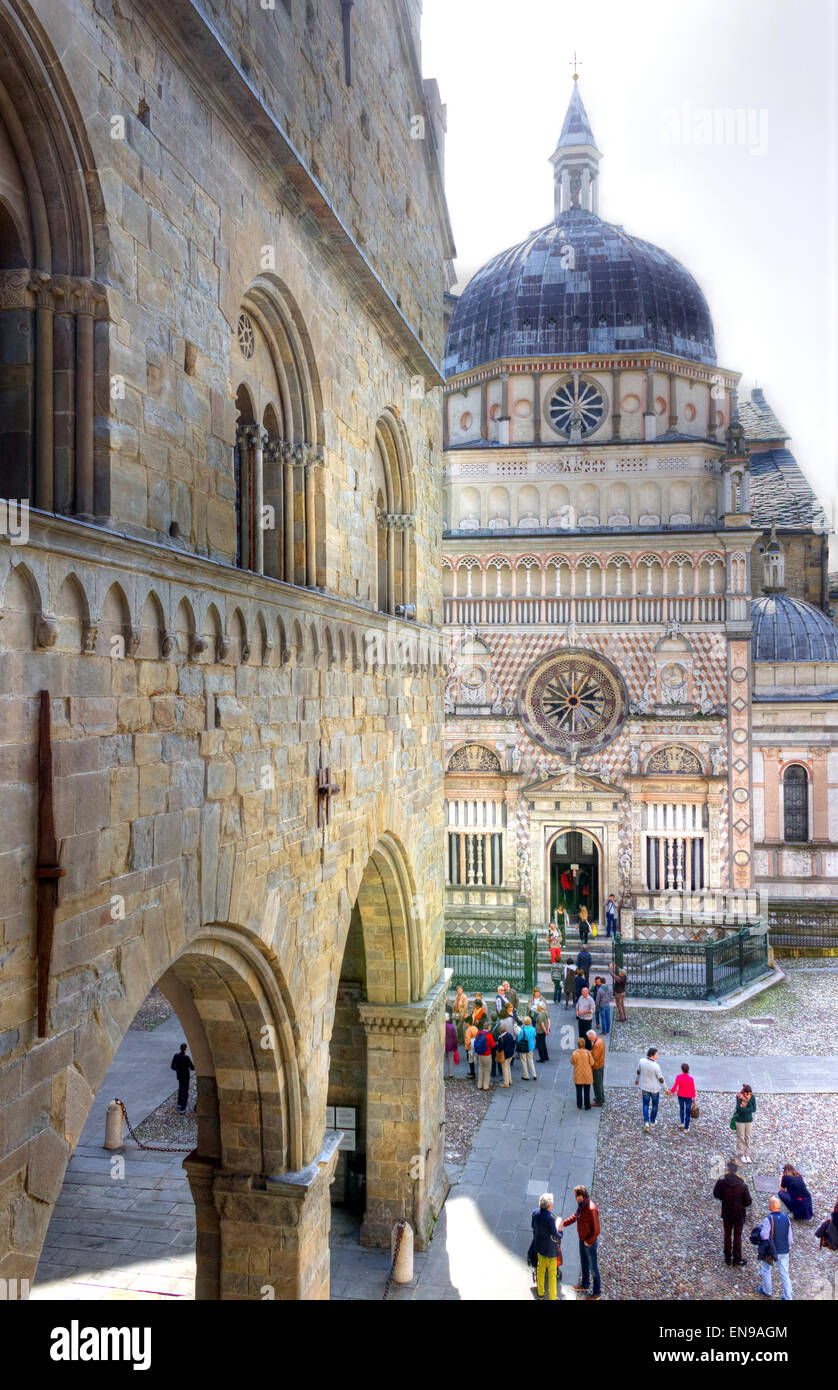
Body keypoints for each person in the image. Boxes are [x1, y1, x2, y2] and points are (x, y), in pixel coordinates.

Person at [563, 1185, 601, 1300]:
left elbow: (597, 1230)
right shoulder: (582, 1205)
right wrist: (564, 1223)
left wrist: (588, 1242)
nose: (575, 1198)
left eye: (576, 1196)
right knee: (583, 1262)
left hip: (589, 1242)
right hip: (582, 1239)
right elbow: (576, 1216)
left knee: (593, 1267)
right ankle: (585, 1285)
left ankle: (597, 1293)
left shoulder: (591, 1209)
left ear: (581, 1196)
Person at [712, 1158, 751, 1267]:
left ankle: (728, 1257)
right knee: (737, 1236)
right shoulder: (742, 1185)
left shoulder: (721, 1182)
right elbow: (748, 1202)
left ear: (727, 1169)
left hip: (727, 1213)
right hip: (739, 1215)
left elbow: (716, 1194)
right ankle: (737, 1258)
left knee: (727, 1234)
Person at [756, 1197, 793, 1301]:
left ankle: (767, 1290)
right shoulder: (786, 1218)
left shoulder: (768, 1219)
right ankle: (787, 1296)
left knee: (766, 1269)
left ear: (771, 1206)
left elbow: (764, 1236)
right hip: (784, 1250)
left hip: (771, 1251)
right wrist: (787, 1247)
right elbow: (790, 1238)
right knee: (784, 1273)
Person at [531, 1193, 562, 1301]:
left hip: (539, 1247)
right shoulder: (551, 1218)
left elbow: (533, 1226)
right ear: (550, 1206)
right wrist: (561, 1231)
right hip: (550, 1251)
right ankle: (553, 1297)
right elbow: (555, 1236)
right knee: (552, 1275)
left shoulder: (535, 1213)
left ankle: (540, 1294)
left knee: (540, 1270)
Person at [635, 1046, 666, 1132]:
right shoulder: (656, 1066)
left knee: (645, 1105)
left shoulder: (641, 1061)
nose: (657, 1056)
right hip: (654, 1089)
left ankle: (646, 1122)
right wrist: (666, 1089)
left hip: (645, 1087)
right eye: (656, 1054)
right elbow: (661, 1078)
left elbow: (638, 1071)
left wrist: (637, 1080)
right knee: (655, 1105)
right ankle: (652, 1121)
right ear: (652, 1055)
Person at [732, 1083, 756, 1164]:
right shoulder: (739, 1097)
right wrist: (747, 1108)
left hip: (748, 1120)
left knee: (748, 1136)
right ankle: (742, 1153)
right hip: (740, 1120)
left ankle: (747, 1154)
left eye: (750, 1093)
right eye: (747, 1094)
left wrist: (744, 1106)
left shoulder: (752, 1098)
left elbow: (754, 1109)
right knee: (741, 1137)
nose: (749, 1095)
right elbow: (738, 1109)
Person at [669, 1062, 696, 1132]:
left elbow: (675, 1087)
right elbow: (693, 1089)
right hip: (689, 1096)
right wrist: (694, 1098)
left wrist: (670, 1092)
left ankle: (682, 1123)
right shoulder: (691, 1079)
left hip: (680, 1095)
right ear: (688, 1070)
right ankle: (686, 1128)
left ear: (682, 1069)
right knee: (687, 1111)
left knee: (681, 1109)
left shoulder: (678, 1077)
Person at [171, 1042, 194, 1112]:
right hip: (186, 1076)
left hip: (179, 1075)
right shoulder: (186, 1058)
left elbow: (172, 1066)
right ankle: (183, 1108)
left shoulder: (176, 1056)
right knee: (185, 1091)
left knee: (180, 1089)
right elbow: (192, 1068)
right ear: (185, 1049)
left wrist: (177, 1069)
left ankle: (179, 1103)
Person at [571, 1037, 593, 1110]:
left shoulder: (575, 1053)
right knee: (587, 1091)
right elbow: (592, 1063)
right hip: (587, 1075)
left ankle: (579, 1105)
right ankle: (587, 1105)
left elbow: (572, 1062)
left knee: (579, 1091)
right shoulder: (588, 1053)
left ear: (578, 1045)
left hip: (578, 1074)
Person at [473, 1020, 495, 1090]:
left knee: (480, 1069)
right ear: (488, 1027)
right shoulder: (489, 1035)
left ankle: (479, 1085)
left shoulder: (478, 1033)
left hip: (479, 1054)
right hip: (487, 1054)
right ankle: (486, 1086)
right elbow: (492, 1045)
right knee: (487, 1070)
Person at [588, 1030, 606, 1107]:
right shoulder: (600, 1040)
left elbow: (594, 1057)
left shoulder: (596, 1045)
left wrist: (589, 1054)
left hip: (597, 1066)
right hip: (601, 1064)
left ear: (592, 1037)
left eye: (589, 1038)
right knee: (600, 1082)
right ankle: (601, 1097)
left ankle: (599, 1101)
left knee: (596, 1084)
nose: (589, 1039)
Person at [496, 1021, 517, 1088]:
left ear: (500, 1031)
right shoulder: (509, 1035)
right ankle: (510, 1080)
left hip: (504, 1055)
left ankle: (506, 1083)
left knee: (505, 1069)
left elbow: (500, 1047)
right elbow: (513, 1043)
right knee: (508, 1067)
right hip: (510, 1054)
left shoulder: (500, 1038)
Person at [518, 1015, 537, 1080]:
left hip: (523, 1047)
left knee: (524, 1061)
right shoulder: (533, 1029)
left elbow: (519, 1039)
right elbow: (534, 1036)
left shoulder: (522, 1030)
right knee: (531, 1060)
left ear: (524, 1022)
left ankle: (526, 1075)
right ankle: (534, 1074)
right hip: (531, 1046)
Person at [533, 995, 551, 1062]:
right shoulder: (545, 1012)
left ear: (540, 1007)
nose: (537, 1007)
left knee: (540, 1045)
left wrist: (545, 1030)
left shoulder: (540, 1014)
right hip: (545, 1030)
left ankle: (542, 1058)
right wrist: (548, 1029)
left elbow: (542, 1024)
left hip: (540, 1031)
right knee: (543, 1043)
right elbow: (549, 1021)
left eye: (538, 1006)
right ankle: (546, 1056)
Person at [444, 1013, 458, 1078]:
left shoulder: (441, 1026)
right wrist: (455, 1046)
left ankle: (442, 1073)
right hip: (451, 1044)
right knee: (451, 1059)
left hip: (442, 1044)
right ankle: (451, 1074)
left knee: (442, 1060)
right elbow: (455, 1037)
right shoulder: (451, 1026)